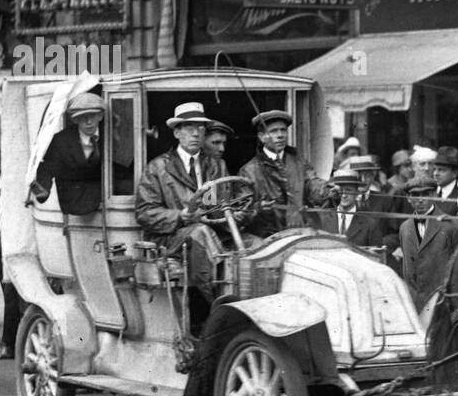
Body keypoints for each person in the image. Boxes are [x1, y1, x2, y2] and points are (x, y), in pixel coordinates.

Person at [135, 102, 233, 325]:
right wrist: (179, 216)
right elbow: (144, 213)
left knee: (252, 244)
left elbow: (223, 204)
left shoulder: (216, 166)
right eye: (189, 128)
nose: (196, 133)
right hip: (170, 240)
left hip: (210, 234)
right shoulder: (157, 167)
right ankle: (225, 310)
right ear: (177, 132)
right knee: (200, 233)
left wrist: (225, 214)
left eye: (200, 128)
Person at [238, 109, 324, 238]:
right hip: (267, 239)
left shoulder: (300, 163)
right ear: (261, 137)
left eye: (283, 130)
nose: (280, 135)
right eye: (273, 131)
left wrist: (327, 190)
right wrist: (258, 208)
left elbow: (313, 185)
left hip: (301, 233)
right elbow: (242, 212)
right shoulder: (248, 171)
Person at [398, 178, 458, 312]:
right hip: (414, 305)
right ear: (408, 198)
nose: (420, 199)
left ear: (435, 195)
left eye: (426, 194)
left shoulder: (453, 226)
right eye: (415, 195)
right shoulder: (404, 228)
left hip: (444, 305)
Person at [32, 92, 104, 216]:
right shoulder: (60, 141)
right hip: (72, 205)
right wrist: (42, 189)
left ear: (100, 116)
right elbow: (46, 168)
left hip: (102, 205)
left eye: (92, 115)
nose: (88, 121)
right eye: (83, 117)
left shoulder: (111, 138)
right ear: (75, 119)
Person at [317, 168, 387, 249]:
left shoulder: (370, 224)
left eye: (348, 190)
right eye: (339, 191)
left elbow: (377, 256)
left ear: (357, 192)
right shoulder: (323, 219)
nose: (343, 195)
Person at [0, 187, 23, 360]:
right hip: (2, 249)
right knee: (8, 295)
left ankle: (9, 344)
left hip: (18, 246)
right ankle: (12, 342)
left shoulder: (21, 191)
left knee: (13, 295)